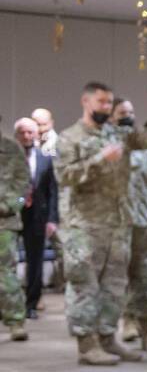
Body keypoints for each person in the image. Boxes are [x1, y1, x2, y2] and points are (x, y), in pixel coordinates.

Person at [56, 81, 147, 365]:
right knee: (85, 285)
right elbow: (64, 176)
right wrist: (99, 159)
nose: (106, 107)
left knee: (115, 286)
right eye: (101, 102)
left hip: (119, 224)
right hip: (85, 225)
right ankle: (87, 344)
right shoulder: (69, 137)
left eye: (109, 103)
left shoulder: (120, 135)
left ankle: (108, 338)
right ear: (86, 102)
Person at [113, 100, 147, 352]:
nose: (128, 117)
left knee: (145, 277)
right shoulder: (109, 147)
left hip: (145, 221)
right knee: (120, 277)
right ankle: (127, 321)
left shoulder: (146, 150)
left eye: (131, 113)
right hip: (118, 222)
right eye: (122, 113)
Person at [14, 118, 58, 320]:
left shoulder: (45, 158)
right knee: (6, 261)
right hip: (11, 214)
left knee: (35, 262)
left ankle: (31, 304)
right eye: (22, 133)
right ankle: (8, 303)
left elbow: (52, 191)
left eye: (30, 132)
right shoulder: (8, 158)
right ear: (17, 135)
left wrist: (52, 219)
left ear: (36, 135)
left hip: (36, 216)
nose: (26, 136)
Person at [0, 122, 30, 341]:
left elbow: (23, 183)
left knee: (6, 273)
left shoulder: (12, 149)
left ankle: (16, 319)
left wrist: (10, 205)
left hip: (5, 221)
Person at [32, 108, 63, 295]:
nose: (40, 128)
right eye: (37, 123)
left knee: (63, 250)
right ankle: (35, 294)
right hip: (33, 207)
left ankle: (65, 287)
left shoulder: (59, 146)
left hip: (57, 206)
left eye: (43, 123)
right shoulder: (26, 143)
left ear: (51, 123)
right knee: (34, 252)